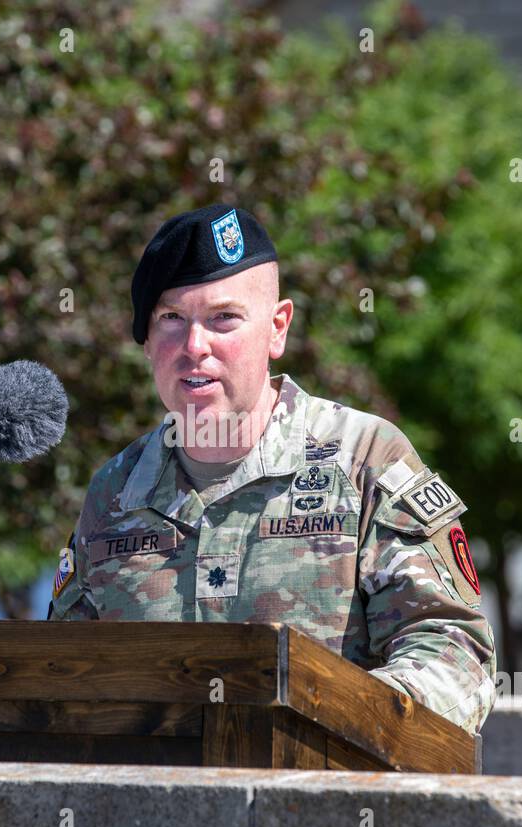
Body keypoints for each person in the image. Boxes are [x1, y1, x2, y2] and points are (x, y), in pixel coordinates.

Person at [47, 203, 496, 736]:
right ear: (146, 341)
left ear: (277, 328)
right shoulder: (115, 491)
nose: (195, 347)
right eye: (171, 319)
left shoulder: (363, 460)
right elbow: (63, 670)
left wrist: (348, 723)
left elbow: (454, 649)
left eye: (223, 319)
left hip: (329, 801)